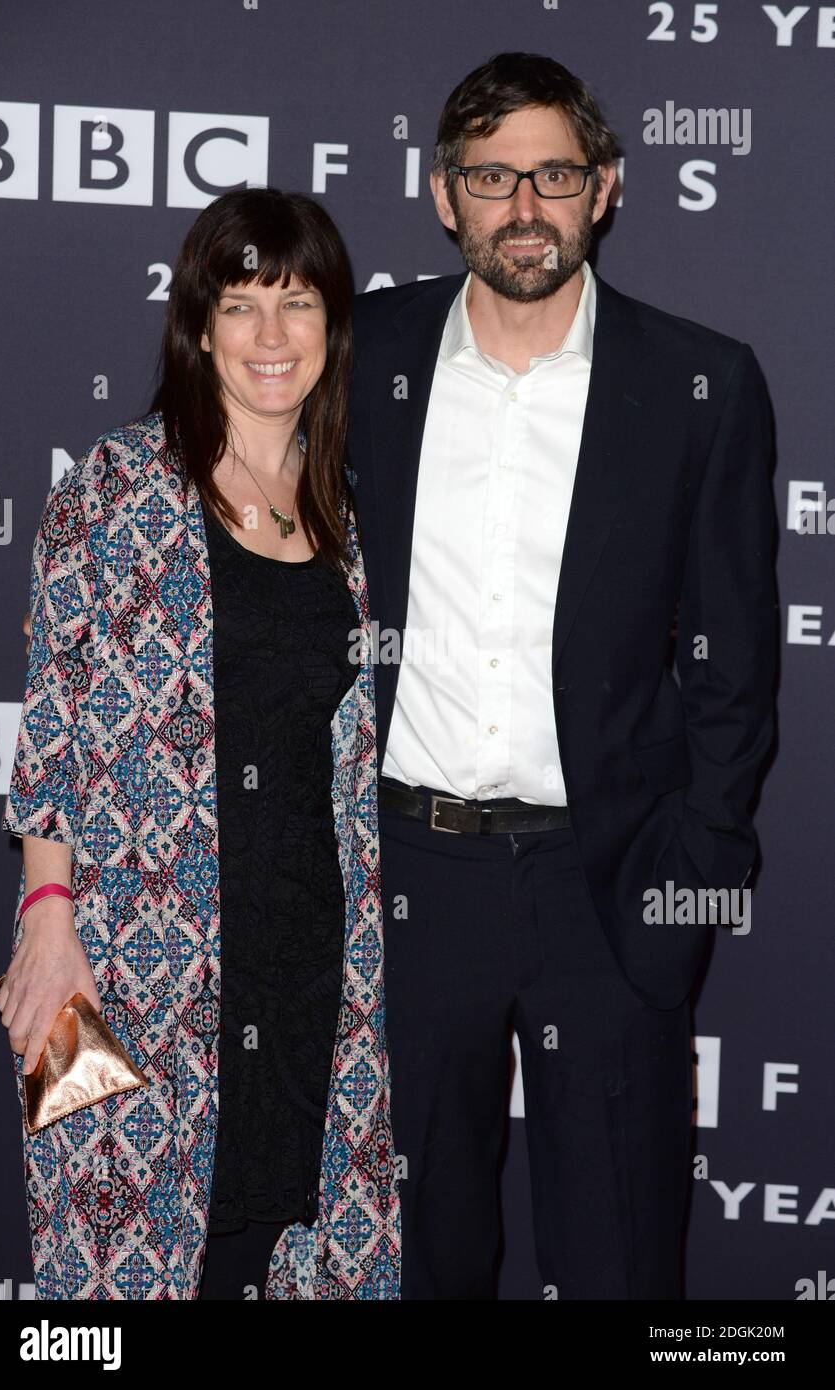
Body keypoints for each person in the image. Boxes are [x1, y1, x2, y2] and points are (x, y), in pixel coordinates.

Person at [347, 52, 777, 1298]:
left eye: (553, 173)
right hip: (404, 880)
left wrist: (691, 875)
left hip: (611, 884)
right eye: (491, 175)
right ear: (444, 196)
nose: (522, 204)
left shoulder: (700, 384)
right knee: (412, 1255)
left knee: (618, 1258)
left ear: (606, 189)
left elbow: (736, 670)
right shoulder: (360, 353)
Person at [0, 188, 400, 1300]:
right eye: (240, 305)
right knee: (105, 1255)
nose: (272, 338)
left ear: (333, 325)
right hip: (125, 957)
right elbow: (55, 723)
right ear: (198, 326)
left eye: (299, 303)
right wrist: (46, 920)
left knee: (287, 1232)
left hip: (308, 961)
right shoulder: (118, 485)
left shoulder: (351, 519)